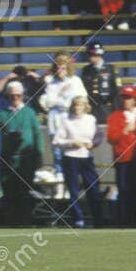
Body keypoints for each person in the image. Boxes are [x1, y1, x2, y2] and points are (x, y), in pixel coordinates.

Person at [0, 80, 42, 225]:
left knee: (25, 192)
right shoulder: (3, 114)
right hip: (8, 159)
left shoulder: (29, 112)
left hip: (26, 159)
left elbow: (37, 135)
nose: (15, 98)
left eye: (18, 95)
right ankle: (11, 223)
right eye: (12, 96)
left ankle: (27, 221)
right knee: (9, 192)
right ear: (8, 96)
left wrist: (39, 155)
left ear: (22, 95)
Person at [105, 86, 136, 227]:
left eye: (129, 97)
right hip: (122, 160)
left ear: (135, 99)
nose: (126, 100)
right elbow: (111, 138)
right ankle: (123, 221)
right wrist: (124, 131)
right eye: (124, 97)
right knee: (123, 190)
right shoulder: (115, 116)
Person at [54, 96, 100, 227]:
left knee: (93, 189)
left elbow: (98, 136)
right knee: (73, 191)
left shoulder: (91, 119)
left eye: (80, 105)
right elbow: (56, 141)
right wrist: (71, 142)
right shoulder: (66, 121)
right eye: (75, 105)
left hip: (86, 157)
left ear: (85, 106)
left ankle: (97, 218)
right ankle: (78, 219)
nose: (77, 107)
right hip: (70, 158)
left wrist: (93, 143)